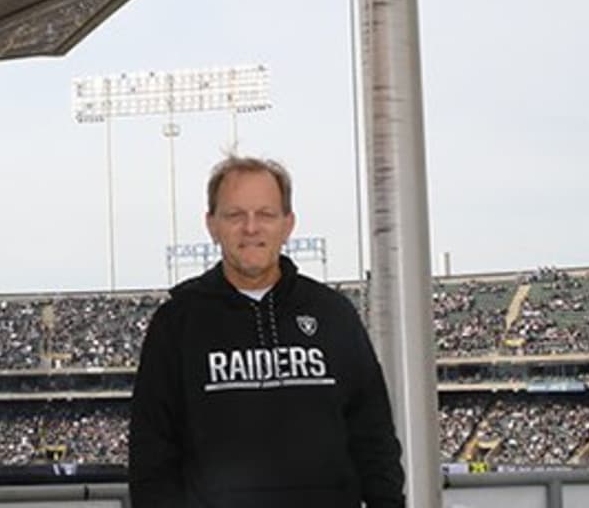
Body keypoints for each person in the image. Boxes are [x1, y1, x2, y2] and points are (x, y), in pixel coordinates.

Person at [129, 156, 405, 507]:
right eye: (235, 215)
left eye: (265, 214)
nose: (251, 228)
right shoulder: (177, 322)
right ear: (212, 225)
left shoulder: (333, 313)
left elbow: (374, 438)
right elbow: (151, 456)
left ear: (287, 224)